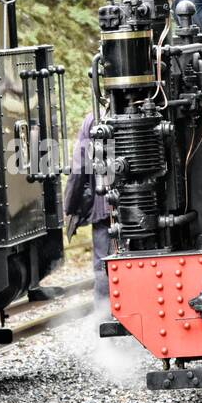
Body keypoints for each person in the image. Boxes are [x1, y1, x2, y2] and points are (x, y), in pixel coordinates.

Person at [65, 111, 112, 311]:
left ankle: (104, 318)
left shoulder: (93, 120)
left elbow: (79, 169)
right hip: (148, 212)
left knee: (103, 267)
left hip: (105, 209)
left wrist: (70, 206)